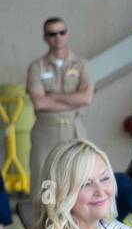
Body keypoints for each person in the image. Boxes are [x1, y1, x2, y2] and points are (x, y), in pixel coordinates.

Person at [26, 17, 93, 190]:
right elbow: (39, 103)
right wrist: (73, 100)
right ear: (45, 38)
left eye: (62, 32)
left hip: (74, 129)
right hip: (46, 131)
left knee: (79, 179)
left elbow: (86, 98)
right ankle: (42, 218)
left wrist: (53, 95)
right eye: (52, 34)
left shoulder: (81, 64)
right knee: (43, 182)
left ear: (68, 34)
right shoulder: (37, 67)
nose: (58, 37)